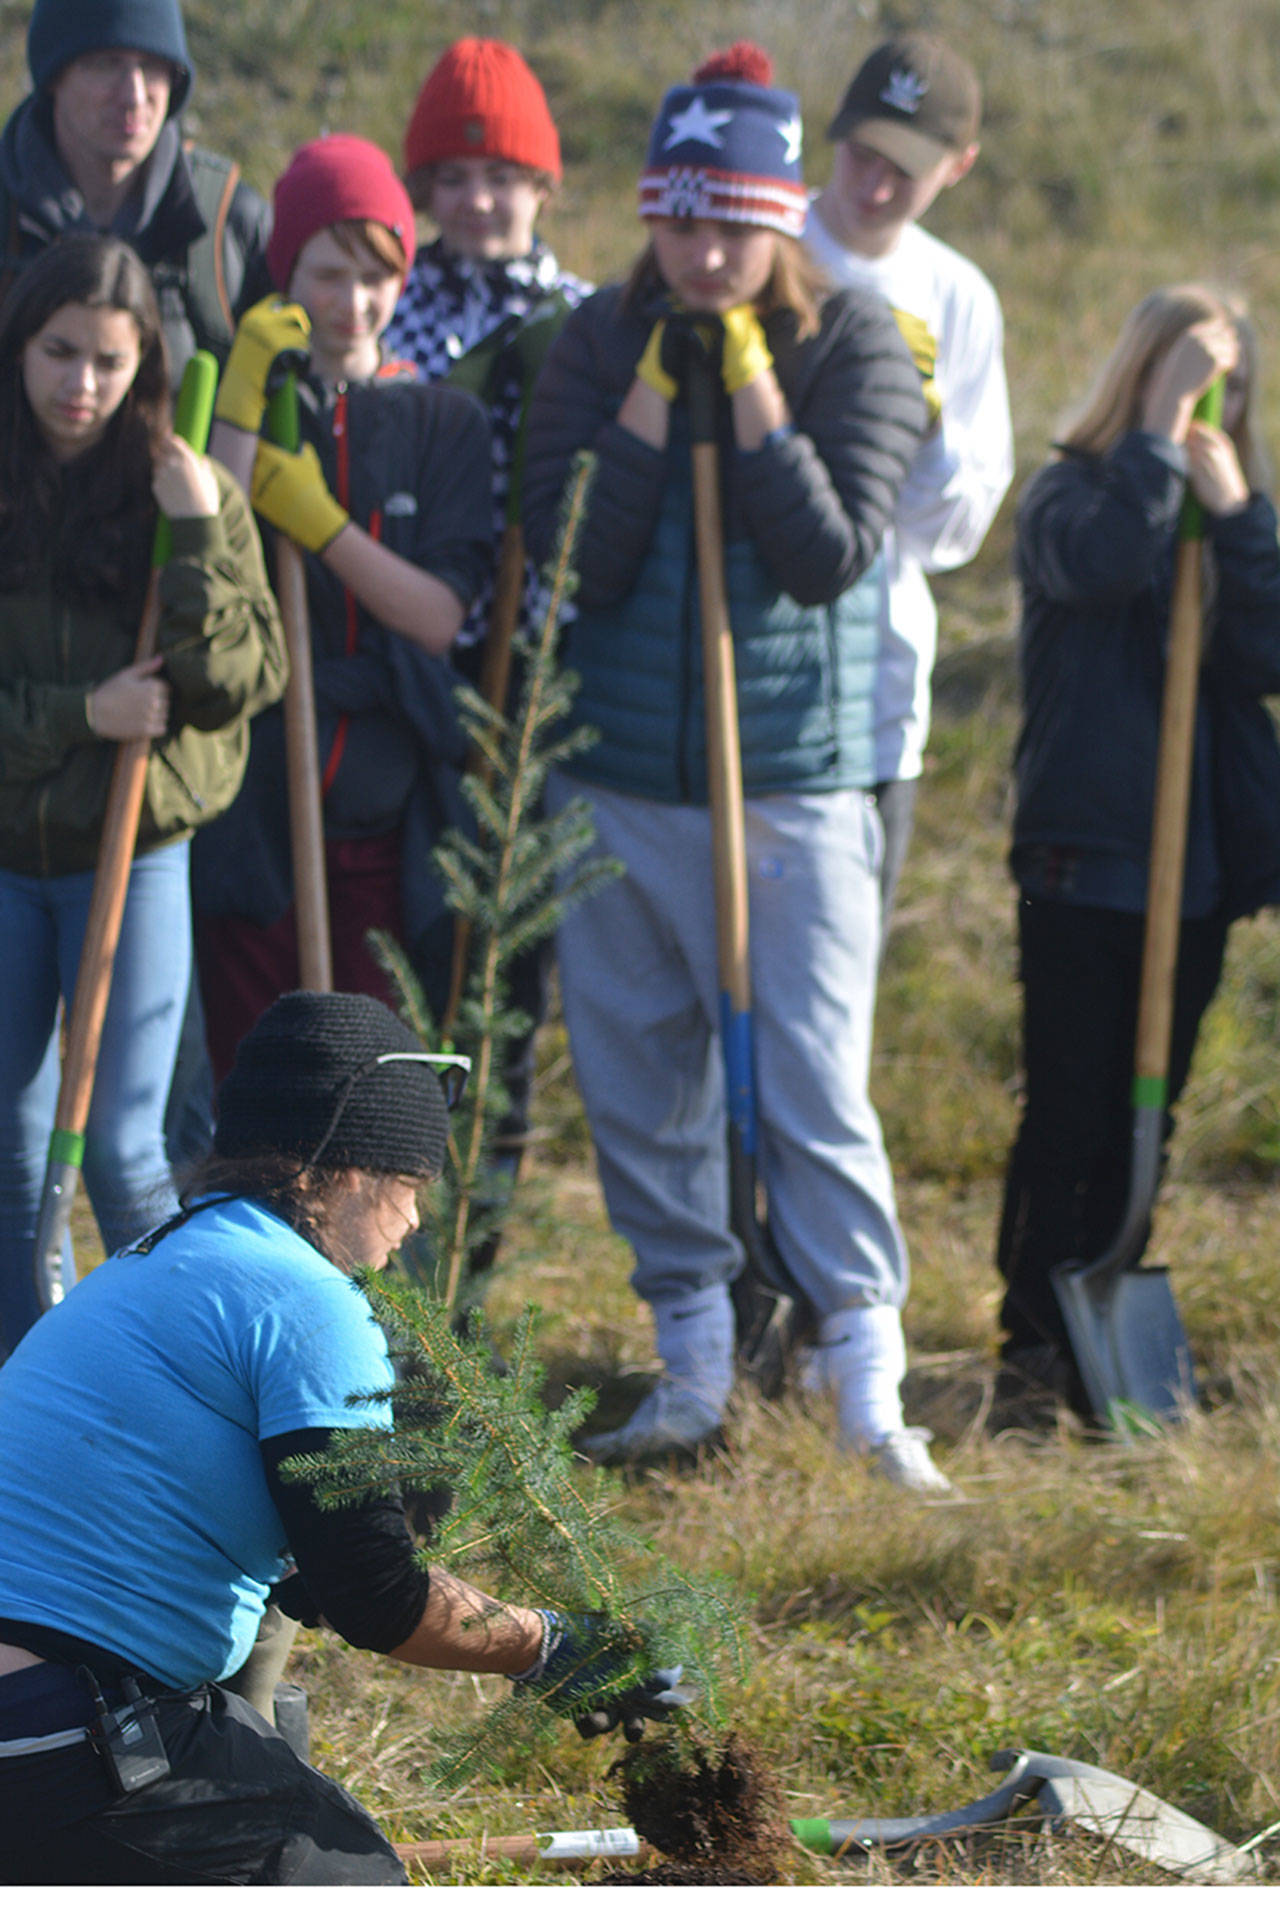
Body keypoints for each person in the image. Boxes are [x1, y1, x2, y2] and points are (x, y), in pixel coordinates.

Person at [522, 43, 950, 1493]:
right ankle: (695, 1364)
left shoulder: (860, 343)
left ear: (781, 223)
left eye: (734, 225)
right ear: (649, 213)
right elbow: (580, 553)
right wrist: (654, 401)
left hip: (792, 782)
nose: (704, 254)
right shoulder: (594, 342)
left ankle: (869, 1387)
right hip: (622, 779)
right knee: (643, 1082)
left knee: (820, 1087)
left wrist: (756, 390)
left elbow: (829, 555)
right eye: (680, 221)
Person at [0, 989, 687, 1885]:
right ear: (349, 1170)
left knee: (268, 1754)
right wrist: (551, 1645)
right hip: (53, 1739)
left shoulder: (154, 1260)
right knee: (351, 1879)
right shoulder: (304, 1298)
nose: (409, 1227)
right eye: (408, 1188)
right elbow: (378, 1600)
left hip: (39, 1707)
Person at [993, 286, 1280, 1425]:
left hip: (1189, 874)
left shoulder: (1228, 522)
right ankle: (1028, 1346)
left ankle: (1103, 1306)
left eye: (1226, 388)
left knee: (1142, 1109)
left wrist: (1243, 516)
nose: (1208, 407)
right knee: (1065, 1107)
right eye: (1184, 380)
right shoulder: (1068, 493)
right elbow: (1104, 565)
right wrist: (1156, 438)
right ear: (1142, 378)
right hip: (1081, 860)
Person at [0, 232, 286, 1362]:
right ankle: (29, 1398)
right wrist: (83, 715)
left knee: (125, 1146)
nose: (81, 386)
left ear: (146, 367)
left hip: (134, 854)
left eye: (109, 364)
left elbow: (237, 682)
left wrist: (203, 532)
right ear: (19, 346)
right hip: (7, 865)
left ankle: (185, 1386)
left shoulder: (188, 488)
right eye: (58, 352)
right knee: (15, 1150)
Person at [190, 135, 494, 1082]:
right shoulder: (248, 396)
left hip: (384, 805)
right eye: (328, 274)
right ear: (287, 272)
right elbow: (211, 557)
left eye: (377, 277)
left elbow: (439, 618)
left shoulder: (443, 420)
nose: (353, 304)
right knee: (260, 1083)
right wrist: (240, 403)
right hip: (256, 809)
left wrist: (321, 528)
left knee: (367, 1091)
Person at [383, 37, 593, 1253]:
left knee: (510, 963)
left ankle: (480, 1225)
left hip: (537, 677)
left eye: (503, 175)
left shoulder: (581, 322)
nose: (478, 200)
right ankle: (391, 1208)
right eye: (454, 176)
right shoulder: (399, 309)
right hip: (425, 665)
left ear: (541, 187)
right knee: (422, 932)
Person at [805, 31, 1012, 938]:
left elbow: (953, 535)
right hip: (738, 673)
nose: (876, 185)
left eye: (906, 170)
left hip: (876, 692)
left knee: (842, 977)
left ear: (959, 167)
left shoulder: (958, 296)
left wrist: (925, 427)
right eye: (862, 154)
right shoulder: (762, 246)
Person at [0, 0, 273, 381]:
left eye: (152, 66)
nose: (133, 95)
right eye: (106, 63)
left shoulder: (229, 220)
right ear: (53, 77)